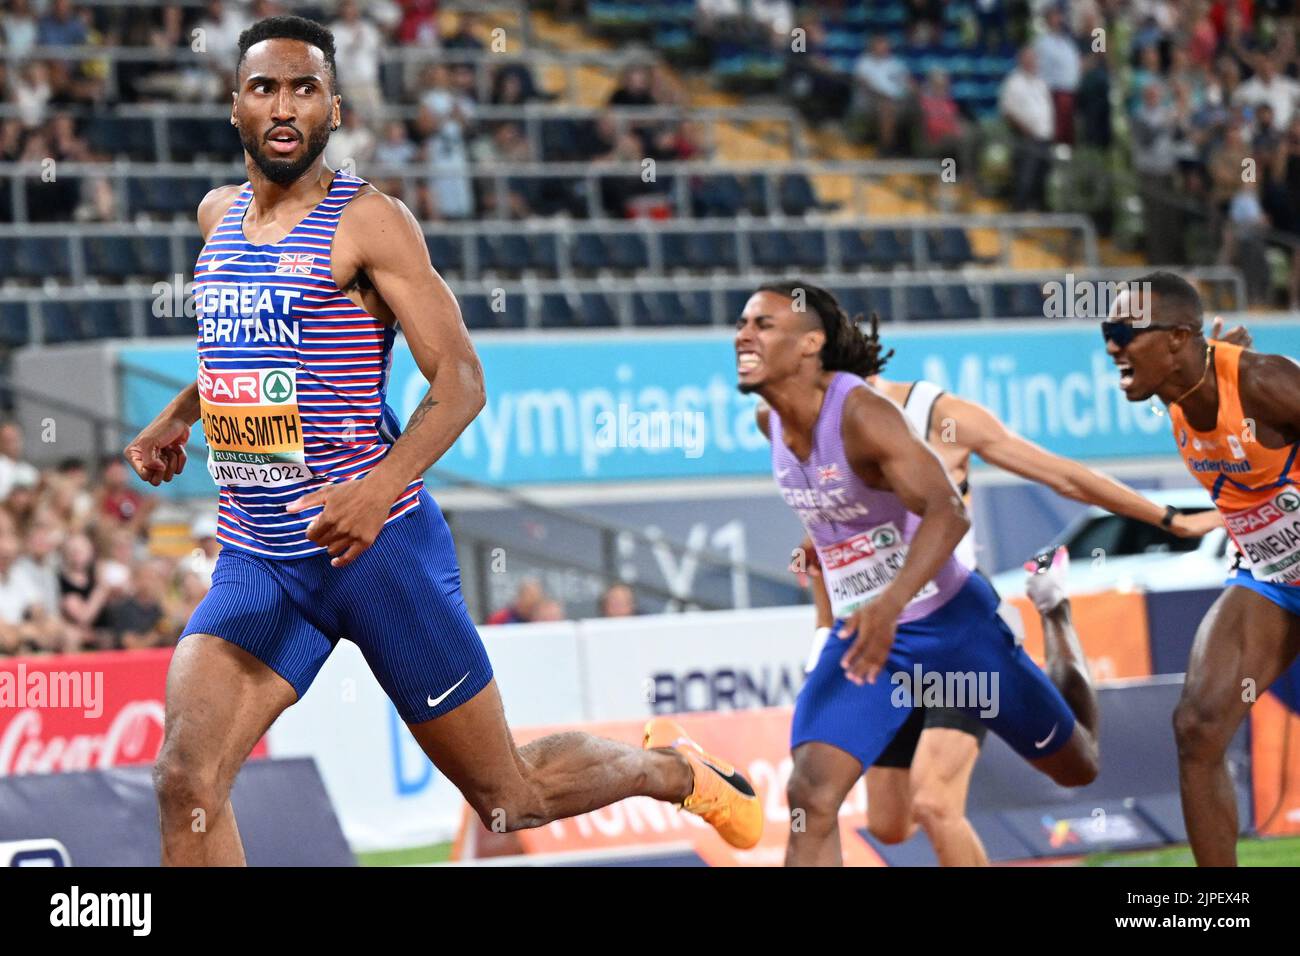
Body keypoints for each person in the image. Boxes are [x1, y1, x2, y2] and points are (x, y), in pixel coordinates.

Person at [123, 16, 761, 866]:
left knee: (509, 799)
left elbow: (460, 380)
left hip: (379, 551)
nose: (284, 106)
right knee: (184, 780)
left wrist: (377, 487)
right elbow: (250, 350)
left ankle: (675, 772)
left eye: (304, 88)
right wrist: (181, 411)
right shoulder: (217, 219)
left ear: (334, 109)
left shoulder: (370, 223)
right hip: (260, 557)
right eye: (265, 87)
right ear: (234, 105)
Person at [792, 311, 1225, 865]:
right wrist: (822, 632)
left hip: (952, 633)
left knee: (935, 802)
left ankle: (1055, 614)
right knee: (890, 823)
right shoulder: (822, 439)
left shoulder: (939, 415)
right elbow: (821, 548)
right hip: (883, 647)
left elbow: (1062, 474)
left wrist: (1169, 518)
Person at [737, 281, 1101, 867]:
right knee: (812, 794)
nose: (744, 334)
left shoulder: (866, 414)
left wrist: (890, 601)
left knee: (1077, 765)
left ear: (810, 344)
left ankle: (1056, 617)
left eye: (763, 324)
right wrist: (827, 622)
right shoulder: (769, 423)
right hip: (872, 640)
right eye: (742, 322)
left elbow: (948, 511)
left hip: (954, 627)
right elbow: (837, 530)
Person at [1105, 271, 1300, 866]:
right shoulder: (1176, 388)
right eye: (1105, 331)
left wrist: (1231, 359)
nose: (1112, 345)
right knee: (1199, 724)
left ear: (1175, 338)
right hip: (1271, 577)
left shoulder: (1263, 381)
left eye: (1124, 331)